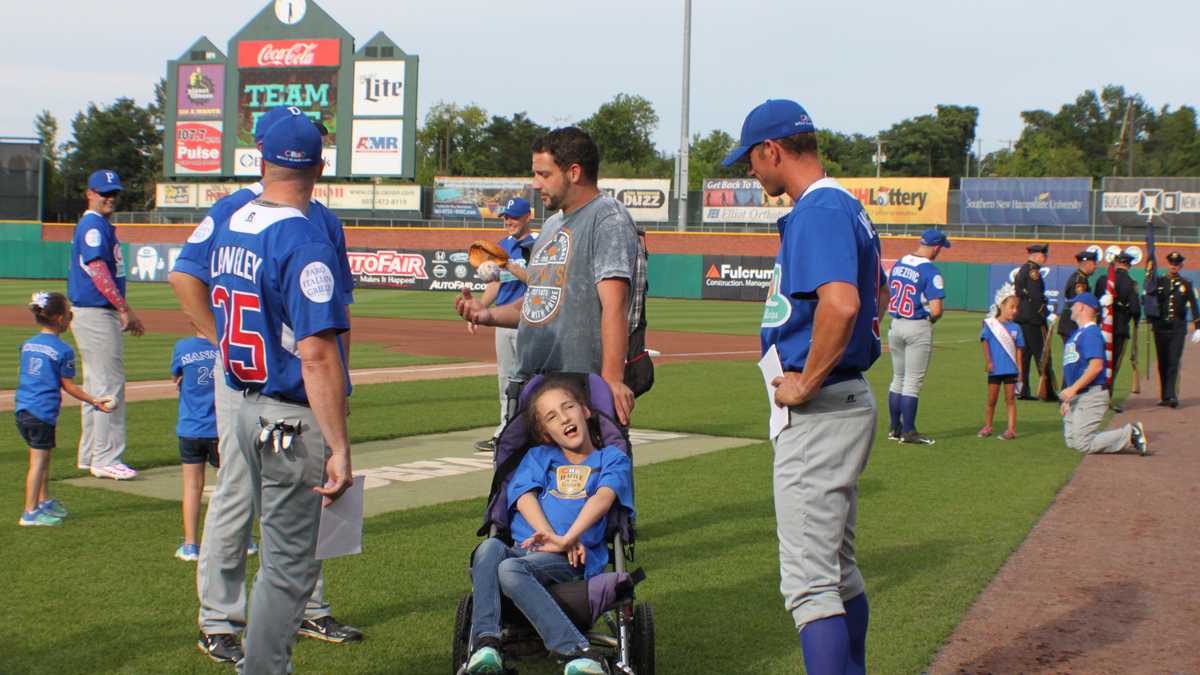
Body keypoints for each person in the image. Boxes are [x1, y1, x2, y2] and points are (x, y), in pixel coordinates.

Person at [169, 106, 361, 664]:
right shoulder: (270, 219)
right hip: (275, 392)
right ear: (320, 164)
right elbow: (318, 348)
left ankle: (305, 611)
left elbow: (332, 318)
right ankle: (226, 624)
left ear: (263, 154)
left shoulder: (251, 217)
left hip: (275, 387)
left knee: (300, 519)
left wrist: (335, 389)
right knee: (251, 512)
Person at [722, 99, 885, 675]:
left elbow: (843, 304)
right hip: (843, 401)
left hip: (822, 408)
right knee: (837, 572)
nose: (750, 171)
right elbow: (877, 299)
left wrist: (806, 382)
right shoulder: (846, 206)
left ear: (772, 150)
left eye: (750, 159)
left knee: (811, 587)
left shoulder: (819, 209)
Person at [455, 127, 645, 426]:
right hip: (530, 385)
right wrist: (487, 314)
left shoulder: (607, 217)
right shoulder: (551, 226)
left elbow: (615, 304)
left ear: (574, 172)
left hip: (575, 391)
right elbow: (536, 304)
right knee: (517, 473)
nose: (535, 183)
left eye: (544, 174)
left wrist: (610, 381)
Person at [464, 376, 632, 675]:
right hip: (528, 549)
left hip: (571, 559)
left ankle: (576, 649)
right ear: (544, 433)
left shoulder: (611, 458)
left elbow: (602, 499)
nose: (564, 417)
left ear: (585, 411)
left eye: (568, 407)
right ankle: (485, 643)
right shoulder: (539, 456)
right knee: (489, 548)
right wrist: (553, 535)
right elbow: (523, 497)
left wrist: (569, 538)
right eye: (552, 416)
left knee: (509, 569)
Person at [68, 169, 145, 479]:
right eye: (104, 193)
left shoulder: (98, 224)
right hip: (97, 312)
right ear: (90, 193)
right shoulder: (93, 226)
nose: (109, 198)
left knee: (95, 386)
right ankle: (106, 458)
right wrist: (124, 308)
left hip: (90, 313)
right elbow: (97, 269)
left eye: (113, 193)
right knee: (109, 387)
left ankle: (90, 454)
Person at [15, 292, 114, 526]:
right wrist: (93, 400)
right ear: (60, 318)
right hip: (42, 412)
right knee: (38, 461)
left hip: (23, 409)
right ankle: (29, 512)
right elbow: (68, 385)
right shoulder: (63, 350)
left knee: (44, 457)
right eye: (69, 313)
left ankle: (43, 500)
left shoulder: (28, 344)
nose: (71, 317)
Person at [473, 196, 536, 452]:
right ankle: (504, 431)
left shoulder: (539, 244)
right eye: (506, 217)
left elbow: (536, 279)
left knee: (531, 378)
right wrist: (481, 307)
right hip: (503, 321)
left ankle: (534, 431)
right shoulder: (503, 245)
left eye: (514, 217)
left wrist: (507, 261)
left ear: (528, 217)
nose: (509, 222)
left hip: (529, 321)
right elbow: (495, 285)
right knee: (505, 379)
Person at [1059, 292, 1149, 455]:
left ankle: (1130, 432)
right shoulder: (1077, 333)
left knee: (1082, 444)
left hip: (1091, 393)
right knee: (1071, 441)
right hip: (1079, 394)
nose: (1071, 308)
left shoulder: (1091, 333)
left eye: (1073, 304)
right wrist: (1069, 396)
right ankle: (1126, 439)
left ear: (1081, 307)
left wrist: (1072, 390)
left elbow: (1096, 367)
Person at [885, 227, 949, 445]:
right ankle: (909, 431)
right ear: (937, 247)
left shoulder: (900, 261)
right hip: (916, 324)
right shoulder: (931, 271)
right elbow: (937, 309)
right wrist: (930, 321)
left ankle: (894, 428)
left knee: (898, 379)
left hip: (896, 324)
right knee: (912, 382)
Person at [171, 330, 220, 561]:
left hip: (190, 427)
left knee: (192, 487)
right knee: (231, 487)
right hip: (219, 429)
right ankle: (242, 539)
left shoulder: (183, 347)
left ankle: (191, 544)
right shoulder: (225, 345)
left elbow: (177, 378)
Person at [1147, 251, 1200, 408]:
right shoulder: (1159, 281)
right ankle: (1164, 396)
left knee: (1173, 361)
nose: (1174, 266)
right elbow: (1150, 302)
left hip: (1178, 326)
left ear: (1181, 266)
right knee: (1162, 362)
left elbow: (1194, 305)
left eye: (1177, 264)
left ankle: (1172, 396)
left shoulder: (1186, 283)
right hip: (1161, 326)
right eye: (1172, 263)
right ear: (1168, 264)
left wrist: (1198, 326)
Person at [1093, 252, 1141, 412]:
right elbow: (1135, 309)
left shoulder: (1102, 280)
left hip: (1102, 328)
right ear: (1129, 265)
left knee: (1098, 363)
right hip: (1119, 329)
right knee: (1112, 366)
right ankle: (1106, 398)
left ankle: (1093, 397)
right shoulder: (1130, 283)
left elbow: (1095, 302)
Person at [978, 285, 1024, 440]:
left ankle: (1011, 430)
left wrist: (1020, 370)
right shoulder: (991, 325)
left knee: (1010, 400)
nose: (1014, 310)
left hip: (1011, 369)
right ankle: (987, 426)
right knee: (991, 400)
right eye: (1011, 307)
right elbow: (984, 342)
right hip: (996, 369)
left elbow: (1019, 350)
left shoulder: (1016, 327)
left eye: (1016, 308)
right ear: (1002, 306)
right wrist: (988, 361)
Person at [1014, 243, 1057, 401]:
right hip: (1034, 319)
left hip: (1022, 318)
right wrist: (1045, 313)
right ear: (1037, 255)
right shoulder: (1033, 271)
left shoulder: (1022, 270)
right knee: (1043, 354)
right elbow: (1035, 296)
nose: (1045, 258)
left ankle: (1023, 390)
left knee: (1025, 356)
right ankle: (1048, 391)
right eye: (1044, 255)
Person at [1057, 250, 1098, 346]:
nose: (1095, 267)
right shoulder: (1080, 281)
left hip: (1070, 324)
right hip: (1072, 325)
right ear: (1086, 264)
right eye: (1093, 264)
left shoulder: (1080, 278)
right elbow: (1081, 303)